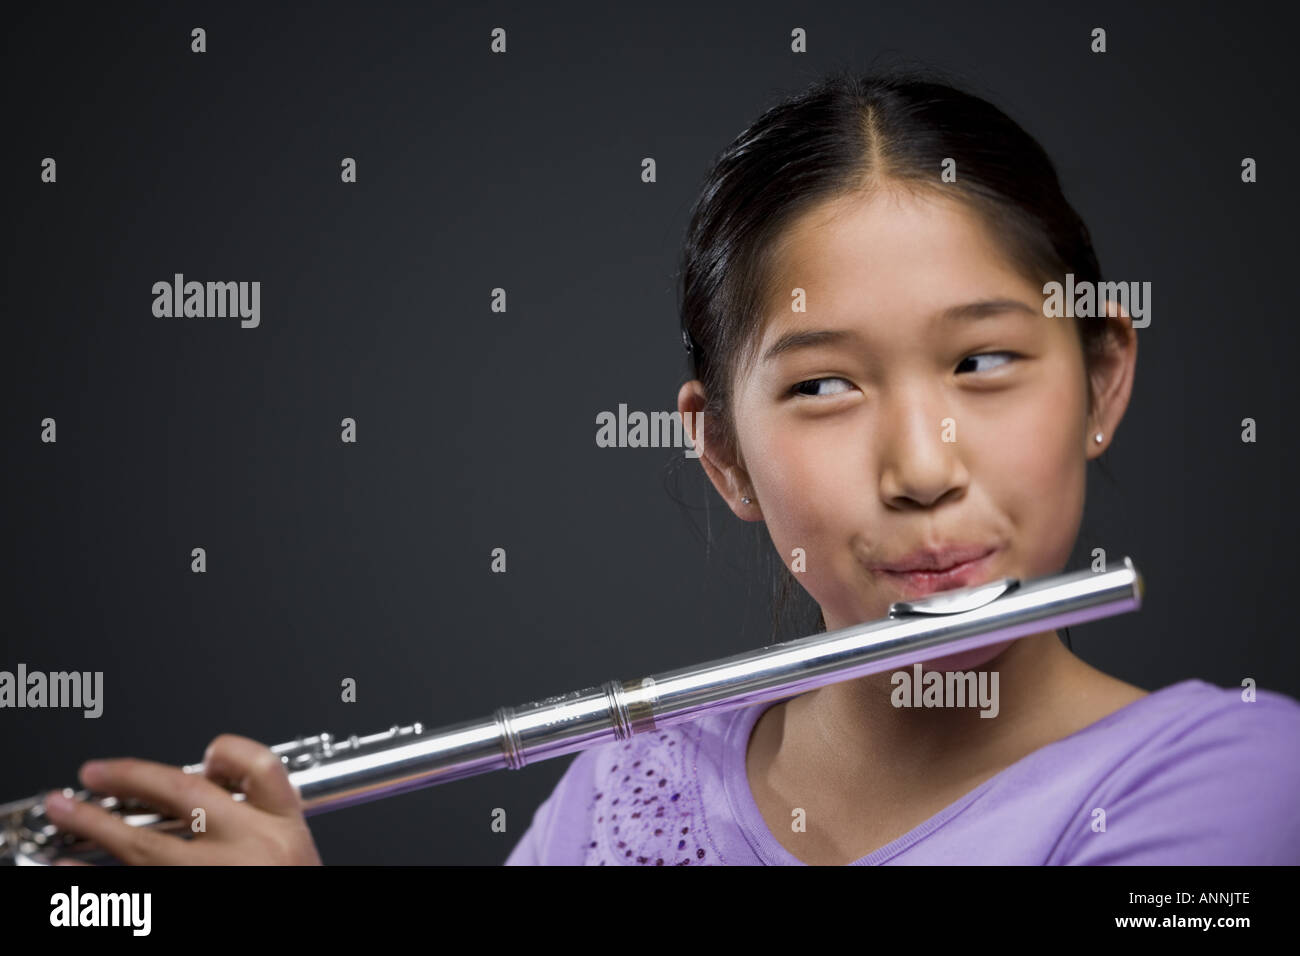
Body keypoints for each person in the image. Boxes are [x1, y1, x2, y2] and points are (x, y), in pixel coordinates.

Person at [42, 68, 1300, 866]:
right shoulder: (630, 782)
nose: (921, 468)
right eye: (820, 386)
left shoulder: (1242, 777)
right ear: (722, 453)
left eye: (982, 364)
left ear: (1104, 377)